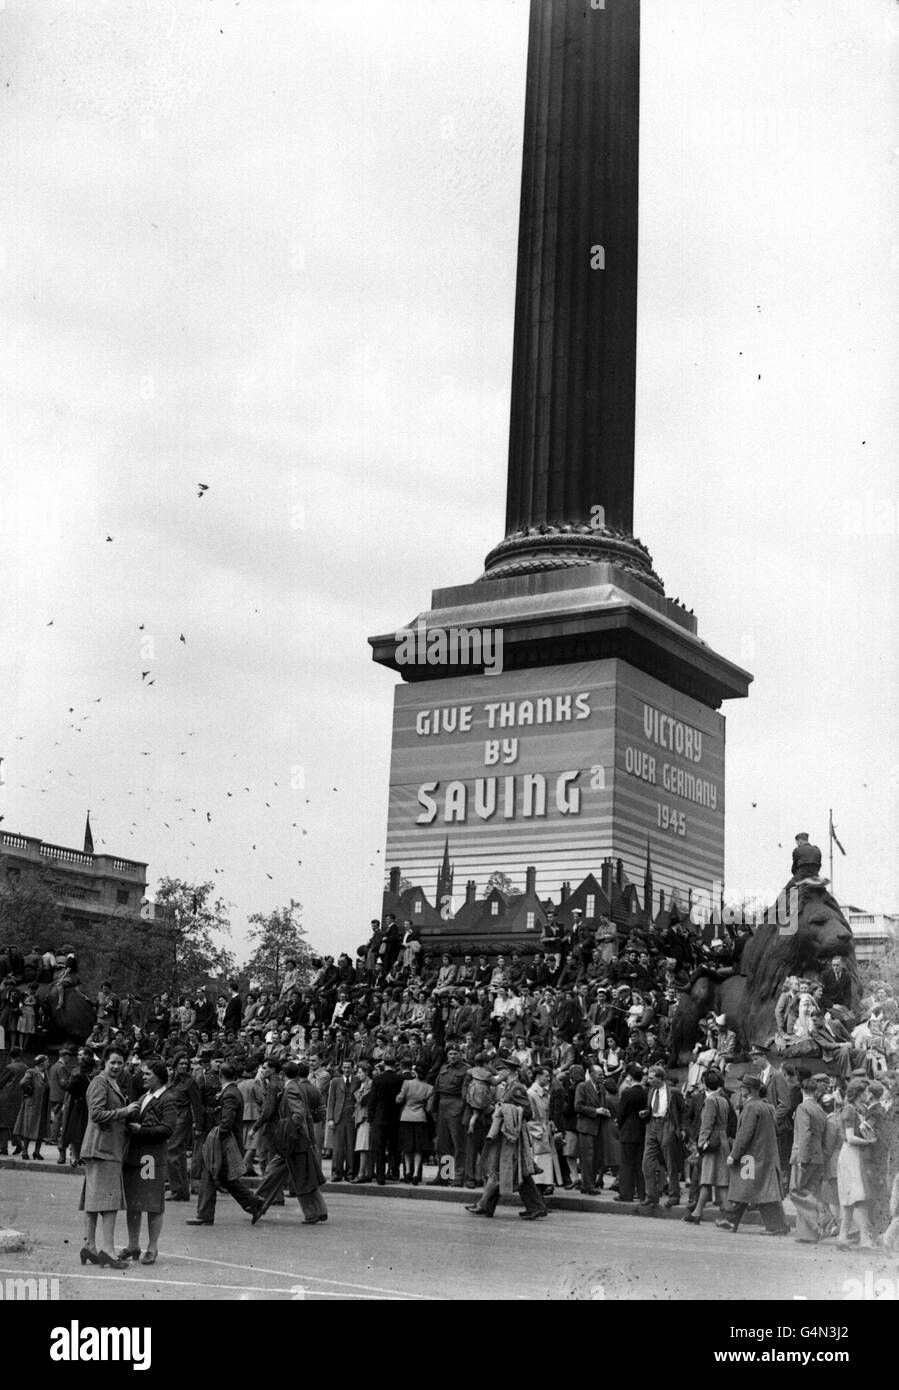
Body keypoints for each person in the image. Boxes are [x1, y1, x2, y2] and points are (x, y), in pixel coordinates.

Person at [78, 1044, 142, 1268]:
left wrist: (125, 1123)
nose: (116, 1066)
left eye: (120, 1063)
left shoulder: (111, 1082)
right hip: (103, 1150)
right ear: (103, 1063)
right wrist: (124, 1112)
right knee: (109, 1202)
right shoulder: (100, 1081)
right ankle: (108, 1250)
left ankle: (90, 1246)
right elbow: (96, 1113)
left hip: (104, 1148)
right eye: (112, 1062)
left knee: (95, 1199)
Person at [465, 1064, 548, 1221]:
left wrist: (504, 1109)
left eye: (501, 1070)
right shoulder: (509, 1086)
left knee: (512, 1169)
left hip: (512, 1136)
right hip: (506, 1134)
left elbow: (528, 1112)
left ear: (510, 1072)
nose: (498, 1074)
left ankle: (534, 1206)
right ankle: (489, 1206)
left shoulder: (517, 1088)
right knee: (507, 1168)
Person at [187, 1062, 263, 1226]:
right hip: (227, 1141)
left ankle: (204, 1214)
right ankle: (253, 1202)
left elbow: (226, 1122)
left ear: (221, 1075)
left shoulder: (229, 1094)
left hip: (224, 1143)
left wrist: (214, 1135)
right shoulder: (231, 1091)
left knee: (209, 1174)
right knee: (225, 1178)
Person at [254, 1060, 328, 1224]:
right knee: (299, 1176)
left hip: (292, 1141)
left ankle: (256, 1204)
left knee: (285, 1175)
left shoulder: (291, 1088)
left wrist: (286, 1129)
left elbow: (299, 1114)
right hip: (297, 1141)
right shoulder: (299, 1086)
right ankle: (318, 1211)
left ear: (282, 1074)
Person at [120, 1058, 177, 1264]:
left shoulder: (167, 1099)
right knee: (134, 1203)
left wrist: (140, 1130)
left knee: (152, 1203)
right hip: (136, 1156)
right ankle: (133, 1245)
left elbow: (167, 1129)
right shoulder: (145, 1096)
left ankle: (152, 1247)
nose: (142, 1076)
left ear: (159, 1077)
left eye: (147, 1074)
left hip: (150, 1159)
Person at [716, 1075, 789, 1236]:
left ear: (748, 1091)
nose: (741, 1090)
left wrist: (734, 1155)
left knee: (748, 1188)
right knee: (759, 1189)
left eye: (743, 1088)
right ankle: (777, 1224)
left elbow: (744, 1134)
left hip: (751, 1156)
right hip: (766, 1155)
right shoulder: (768, 1106)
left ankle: (733, 1220)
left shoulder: (751, 1107)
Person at [682, 1070, 730, 1225]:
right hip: (722, 1141)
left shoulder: (710, 1101)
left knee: (708, 1179)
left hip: (711, 1143)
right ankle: (699, 1212)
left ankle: (724, 1214)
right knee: (717, 1180)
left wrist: (701, 1144)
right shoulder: (723, 1099)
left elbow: (706, 1125)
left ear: (705, 1084)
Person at [638, 1065, 686, 1214]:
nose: (648, 1080)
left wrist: (682, 1129)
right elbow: (652, 1108)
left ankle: (674, 1195)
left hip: (668, 1124)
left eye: (651, 1078)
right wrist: (646, 1112)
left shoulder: (673, 1092)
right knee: (647, 1161)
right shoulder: (651, 1091)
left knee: (670, 1162)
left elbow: (683, 1110)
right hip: (652, 1124)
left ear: (660, 1078)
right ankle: (651, 1194)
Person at [835, 1076, 875, 1250]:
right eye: (866, 1091)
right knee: (857, 1197)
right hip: (850, 1155)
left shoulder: (860, 1109)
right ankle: (864, 1238)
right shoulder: (850, 1110)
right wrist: (869, 1142)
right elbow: (850, 1138)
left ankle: (843, 1237)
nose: (868, 1094)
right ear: (859, 1093)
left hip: (857, 1155)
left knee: (852, 1198)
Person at [789, 1073, 828, 1244]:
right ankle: (808, 1234)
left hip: (804, 1155)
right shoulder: (820, 1109)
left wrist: (801, 1158)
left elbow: (804, 1135)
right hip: (818, 1156)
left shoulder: (803, 1108)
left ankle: (824, 1221)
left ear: (803, 1090)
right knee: (811, 1192)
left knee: (796, 1191)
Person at [166, 1053, 202, 1201]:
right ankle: (181, 1191)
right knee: (178, 1155)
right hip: (171, 1118)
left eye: (185, 1064)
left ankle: (177, 1189)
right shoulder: (170, 1081)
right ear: (175, 1065)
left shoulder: (190, 1082)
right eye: (181, 1063)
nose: (183, 1066)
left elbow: (197, 1105)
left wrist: (199, 1126)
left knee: (171, 1152)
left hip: (182, 1118)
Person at [396, 1063, 434, 1185]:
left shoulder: (407, 1084)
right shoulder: (429, 1088)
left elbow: (399, 1099)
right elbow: (429, 1108)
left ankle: (407, 1172)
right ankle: (416, 1173)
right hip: (420, 1117)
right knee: (418, 1148)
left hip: (406, 1116)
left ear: (416, 1073)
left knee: (407, 1148)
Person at [615, 1063, 647, 1204]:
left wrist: (620, 1126)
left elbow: (620, 1113)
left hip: (628, 1130)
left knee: (627, 1164)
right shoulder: (646, 1092)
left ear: (630, 1077)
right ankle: (642, 1193)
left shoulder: (627, 1093)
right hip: (642, 1130)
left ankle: (626, 1193)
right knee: (640, 1164)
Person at [14, 1053, 50, 1160]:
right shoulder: (32, 1072)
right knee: (28, 1128)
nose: (48, 1063)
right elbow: (23, 1083)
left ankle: (37, 1152)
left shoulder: (45, 1073)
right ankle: (25, 1151)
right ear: (42, 1063)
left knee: (41, 1129)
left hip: (43, 1105)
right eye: (47, 1061)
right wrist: (30, 1092)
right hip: (32, 1105)